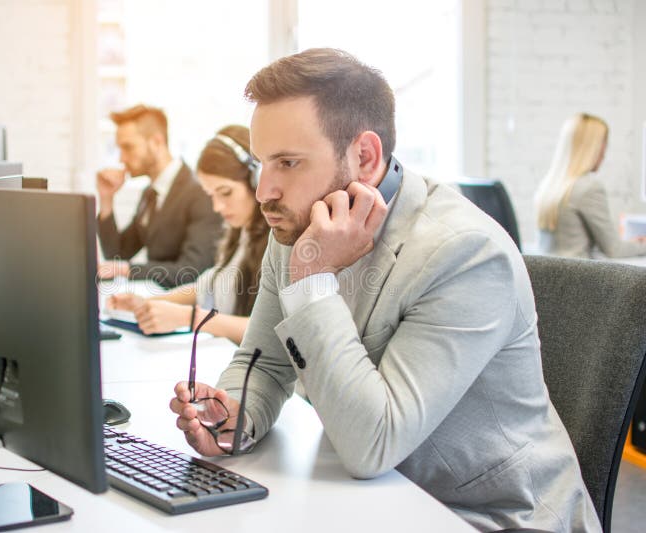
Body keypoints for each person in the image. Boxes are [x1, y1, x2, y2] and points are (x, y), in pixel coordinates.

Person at [169, 48, 600, 532]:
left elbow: (372, 445)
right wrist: (233, 416)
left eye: (288, 162)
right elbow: (266, 364)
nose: (265, 190)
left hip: (488, 514)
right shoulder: (295, 226)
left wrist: (312, 279)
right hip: (377, 501)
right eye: (261, 164)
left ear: (365, 156)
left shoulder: (466, 253)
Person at [108, 125, 269, 345]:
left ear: (257, 182)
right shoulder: (242, 234)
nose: (217, 207)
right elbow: (208, 285)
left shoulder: (278, 243)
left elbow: (273, 333)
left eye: (225, 193)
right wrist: (146, 303)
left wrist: (190, 317)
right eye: (211, 195)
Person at [96, 104, 223, 287]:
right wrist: (106, 199)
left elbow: (192, 270)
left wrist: (127, 270)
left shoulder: (200, 192)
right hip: (155, 302)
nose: (121, 159)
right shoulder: (150, 193)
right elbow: (118, 254)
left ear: (156, 142)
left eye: (128, 147)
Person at [535, 112, 646, 258]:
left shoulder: (549, 186)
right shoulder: (589, 188)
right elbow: (614, 250)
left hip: (552, 277)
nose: (604, 153)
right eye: (603, 144)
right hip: (580, 277)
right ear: (592, 147)